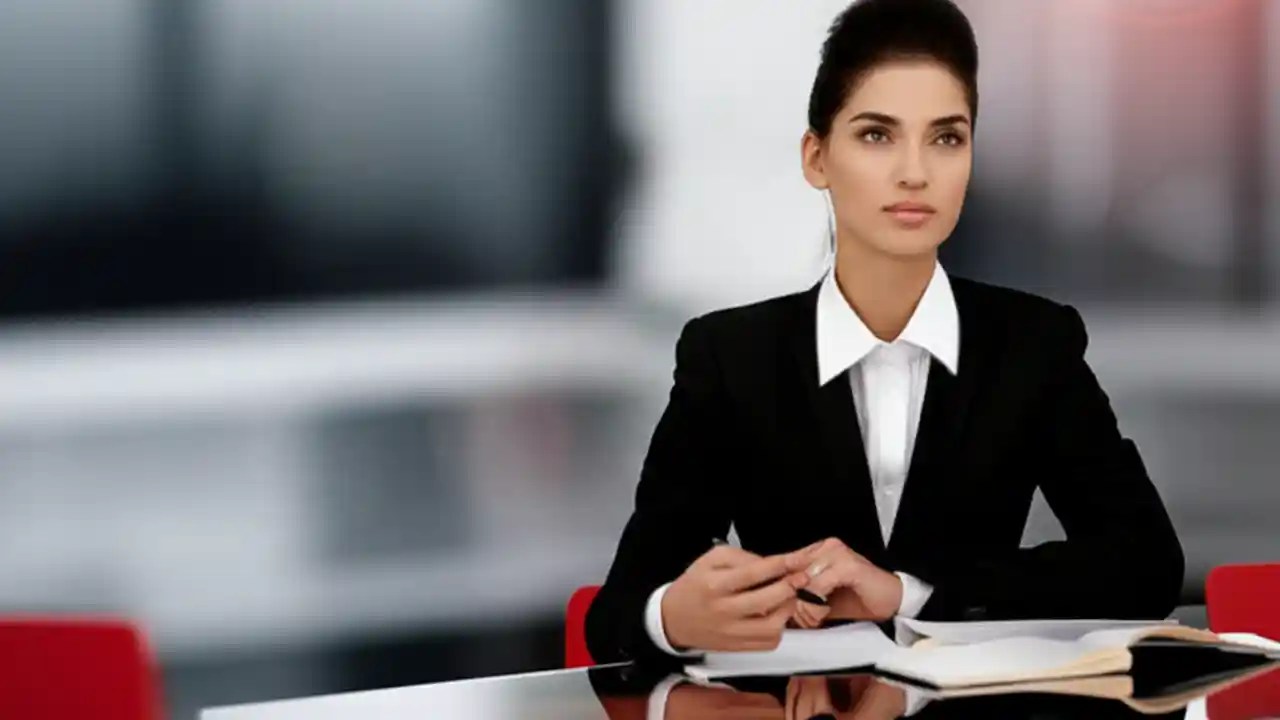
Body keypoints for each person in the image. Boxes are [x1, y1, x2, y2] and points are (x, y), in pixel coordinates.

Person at [585, 0, 1184, 665]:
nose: (915, 171)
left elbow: (1145, 563)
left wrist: (906, 593)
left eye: (946, 137)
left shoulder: (1033, 344)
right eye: (877, 134)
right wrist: (674, 614)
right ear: (817, 157)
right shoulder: (730, 357)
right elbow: (617, 611)